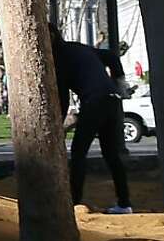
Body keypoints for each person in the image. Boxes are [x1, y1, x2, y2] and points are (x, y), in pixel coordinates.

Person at [53, 25, 132, 214]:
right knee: (112, 154)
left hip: (94, 101)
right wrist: (119, 82)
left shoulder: (58, 59)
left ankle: (74, 200)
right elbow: (112, 56)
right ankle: (124, 203)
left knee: (79, 151)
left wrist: (59, 125)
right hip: (113, 99)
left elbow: (62, 97)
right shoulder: (78, 47)